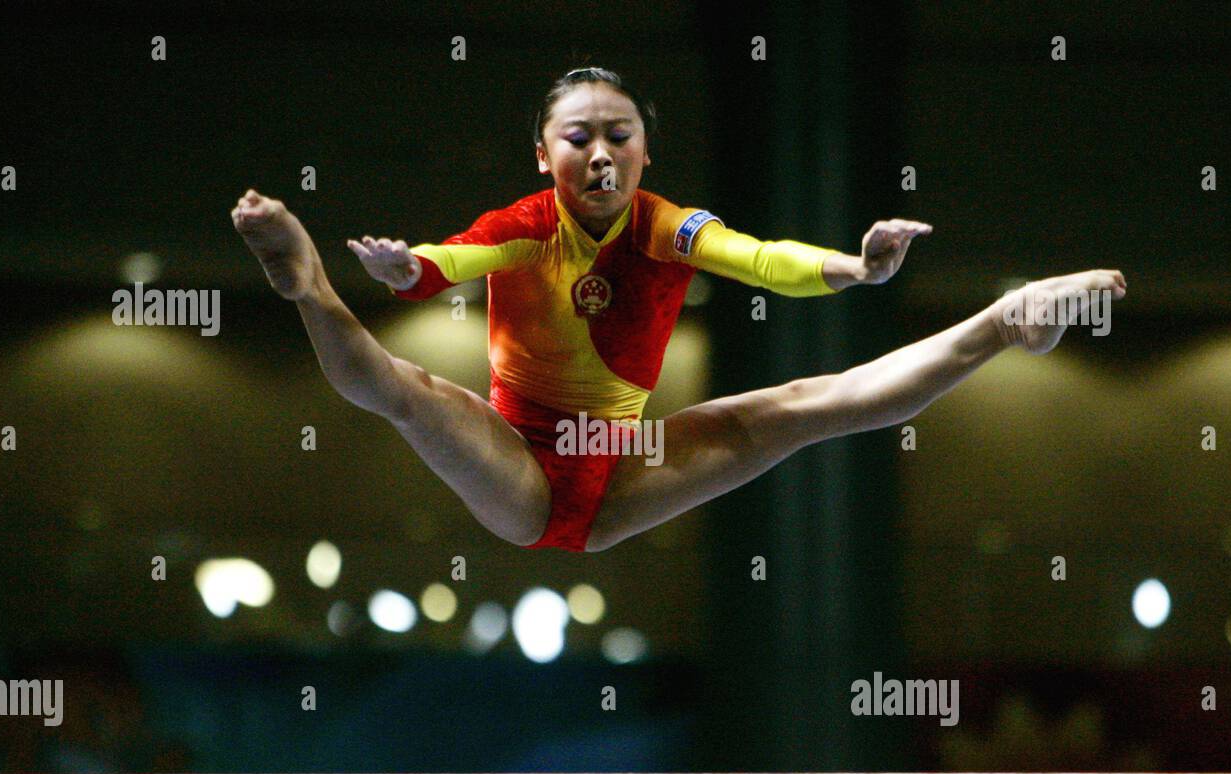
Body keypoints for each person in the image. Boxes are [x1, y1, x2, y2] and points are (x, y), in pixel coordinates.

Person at [232, 67, 1125, 553]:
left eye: (619, 135)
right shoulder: (526, 225)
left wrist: (854, 267)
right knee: (409, 387)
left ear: (646, 152)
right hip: (520, 467)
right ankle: (306, 282)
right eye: (577, 137)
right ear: (543, 155)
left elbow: (758, 257)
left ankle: (1004, 324)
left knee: (803, 408)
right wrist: (406, 270)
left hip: (624, 465)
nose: (600, 152)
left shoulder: (667, 227)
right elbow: (454, 259)